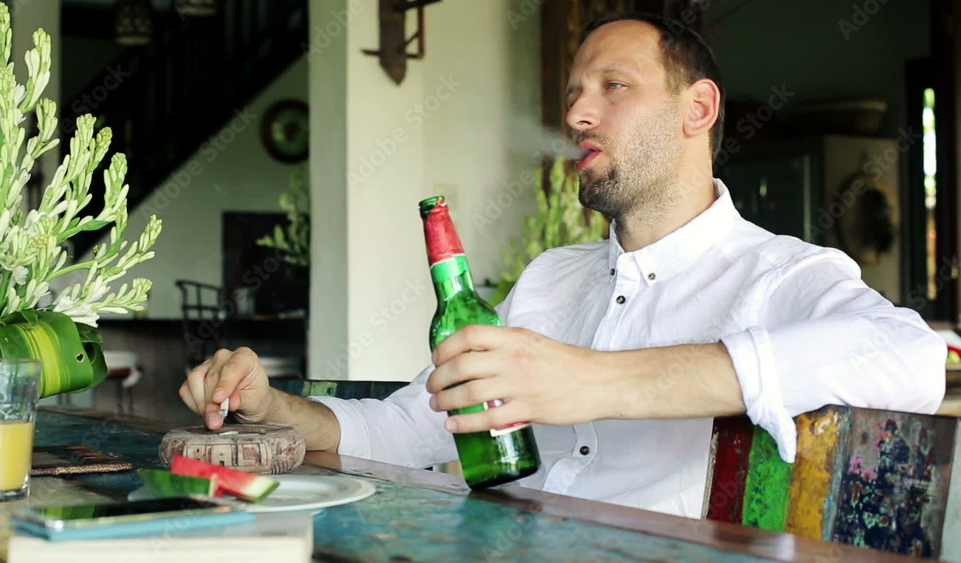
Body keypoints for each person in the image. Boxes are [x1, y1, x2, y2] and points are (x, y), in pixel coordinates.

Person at [180, 13, 945, 518]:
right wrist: (272, 408)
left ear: (699, 109)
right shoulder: (551, 279)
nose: (578, 115)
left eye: (613, 88)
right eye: (575, 95)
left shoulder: (777, 275)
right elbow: (410, 431)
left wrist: (590, 379)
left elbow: (912, 356)